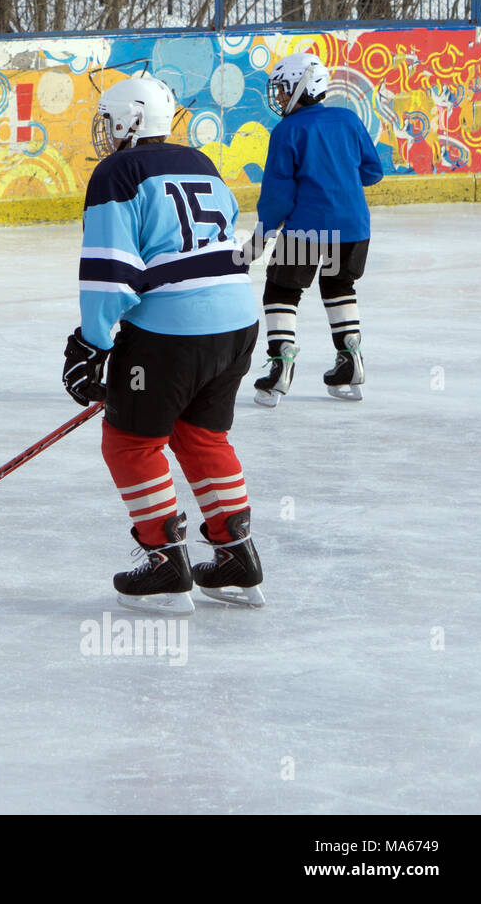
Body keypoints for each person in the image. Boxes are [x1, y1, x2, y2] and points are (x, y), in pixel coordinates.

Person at [61, 75, 264, 613]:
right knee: (201, 434)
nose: (104, 131)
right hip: (239, 319)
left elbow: (111, 270)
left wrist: (91, 343)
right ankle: (236, 558)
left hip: (175, 330)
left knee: (130, 442)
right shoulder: (201, 163)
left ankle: (164, 563)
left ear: (128, 120)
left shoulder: (116, 172)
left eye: (108, 119)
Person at [251, 52, 383, 405]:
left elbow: (278, 197)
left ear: (302, 87)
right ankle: (349, 360)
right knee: (339, 284)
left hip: (306, 232)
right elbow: (373, 172)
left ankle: (280, 367)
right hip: (354, 228)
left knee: (281, 291)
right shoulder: (349, 119)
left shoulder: (286, 131)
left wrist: (260, 236)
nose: (278, 97)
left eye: (283, 89)